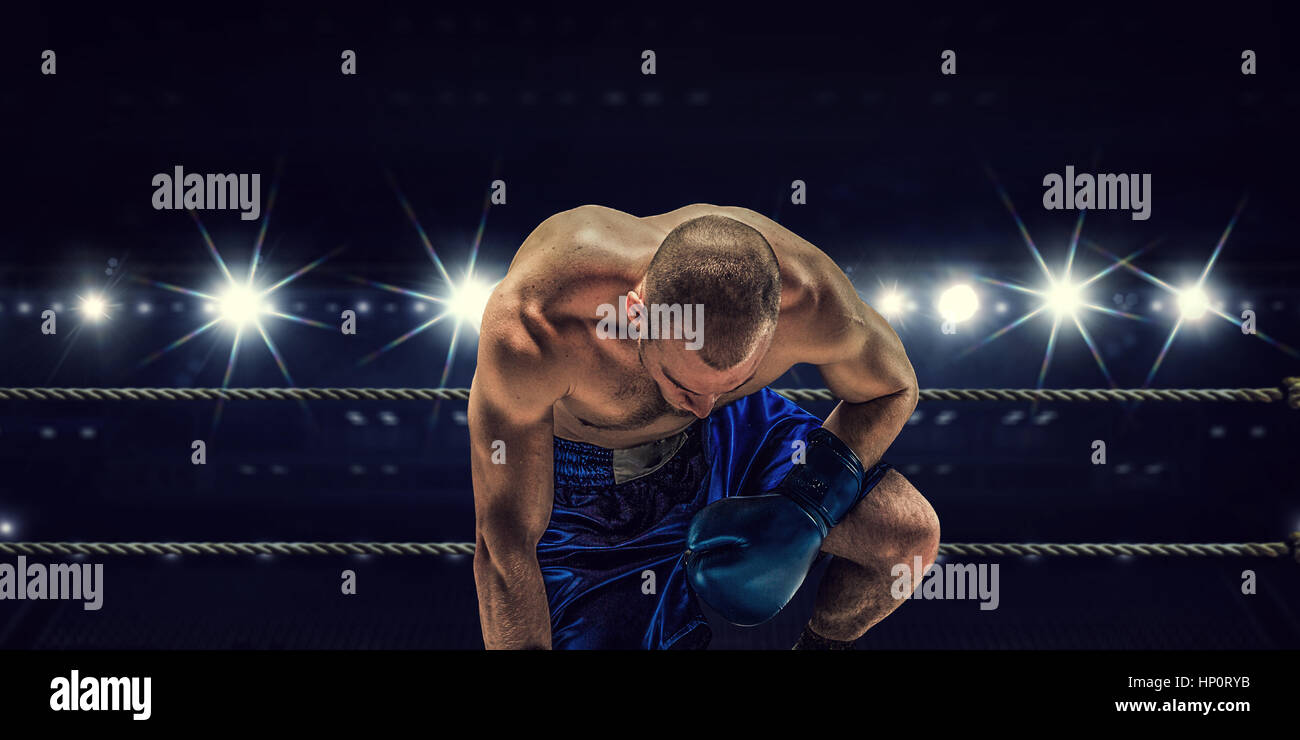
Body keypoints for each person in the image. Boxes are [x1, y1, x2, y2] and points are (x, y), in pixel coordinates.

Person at [469, 204, 940, 649]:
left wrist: (811, 499)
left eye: (732, 381)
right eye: (681, 384)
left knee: (907, 537)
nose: (699, 406)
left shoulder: (808, 299)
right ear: (637, 315)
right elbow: (504, 537)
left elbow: (894, 389)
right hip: (591, 490)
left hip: (734, 432)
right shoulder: (540, 323)